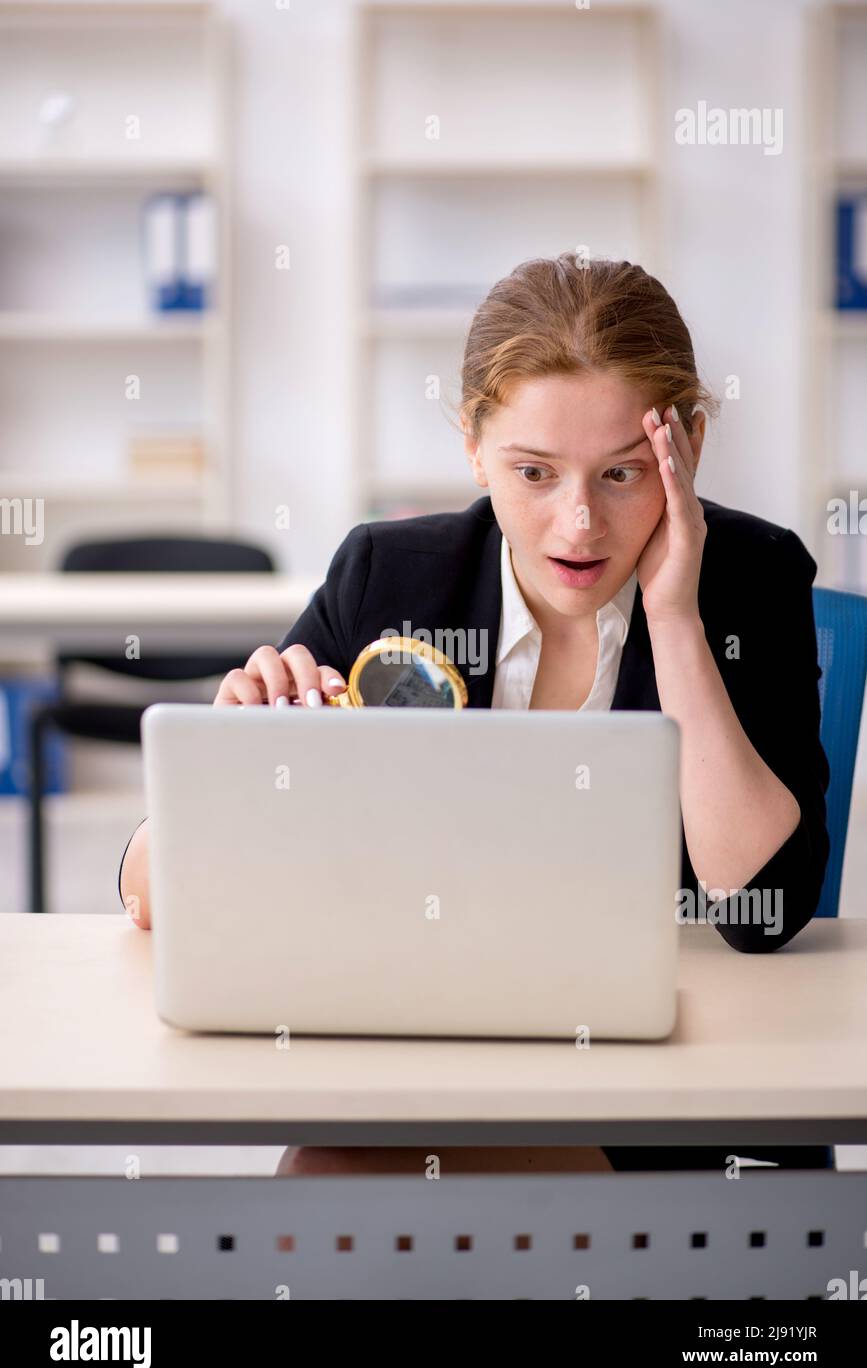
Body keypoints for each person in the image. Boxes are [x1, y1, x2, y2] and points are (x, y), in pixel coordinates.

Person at [119, 255, 833, 1178]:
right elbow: (146, 894)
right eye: (533, 472)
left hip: (671, 1089)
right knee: (325, 1182)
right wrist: (239, 764)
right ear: (471, 444)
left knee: (339, 1190)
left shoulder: (750, 577)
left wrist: (675, 618)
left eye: (621, 475)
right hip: (430, 1057)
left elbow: (760, 913)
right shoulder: (390, 575)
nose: (577, 525)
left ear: (685, 446)